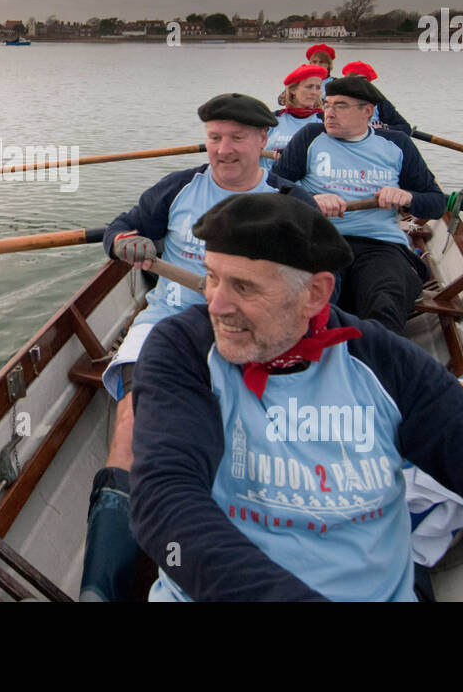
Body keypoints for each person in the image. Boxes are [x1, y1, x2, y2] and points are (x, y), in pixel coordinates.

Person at [129, 192, 463, 601]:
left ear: (317, 294)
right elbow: (165, 498)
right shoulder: (184, 349)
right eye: (211, 276)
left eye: (242, 286)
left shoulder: (383, 360)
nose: (215, 303)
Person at [79, 92, 311, 602]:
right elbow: (123, 226)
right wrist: (124, 243)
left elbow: (316, 292)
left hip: (255, 340)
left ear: (264, 141)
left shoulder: (293, 206)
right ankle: (100, 591)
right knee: (129, 428)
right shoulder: (178, 189)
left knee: (259, 445)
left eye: (237, 138)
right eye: (214, 138)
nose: (223, 150)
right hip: (166, 325)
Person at [271, 74, 443, 335]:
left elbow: (437, 204)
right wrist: (310, 199)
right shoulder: (311, 137)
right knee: (315, 302)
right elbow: (273, 189)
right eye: (326, 104)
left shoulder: (396, 144)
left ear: (367, 111)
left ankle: (377, 363)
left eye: (339, 106)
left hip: (381, 245)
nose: (328, 113)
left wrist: (407, 197)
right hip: (320, 240)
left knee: (385, 303)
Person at [263, 63, 326, 171]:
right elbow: (249, 149)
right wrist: (273, 155)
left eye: (318, 88)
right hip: (269, 183)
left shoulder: (323, 121)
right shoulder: (272, 119)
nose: (314, 92)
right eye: (309, 87)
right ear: (293, 89)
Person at [340, 60, 412, 134]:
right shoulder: (336, 102)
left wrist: (384, 127)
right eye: (352, 80)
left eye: (363, 80)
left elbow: (405, 128)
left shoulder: (380, 103)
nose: (358, 84)